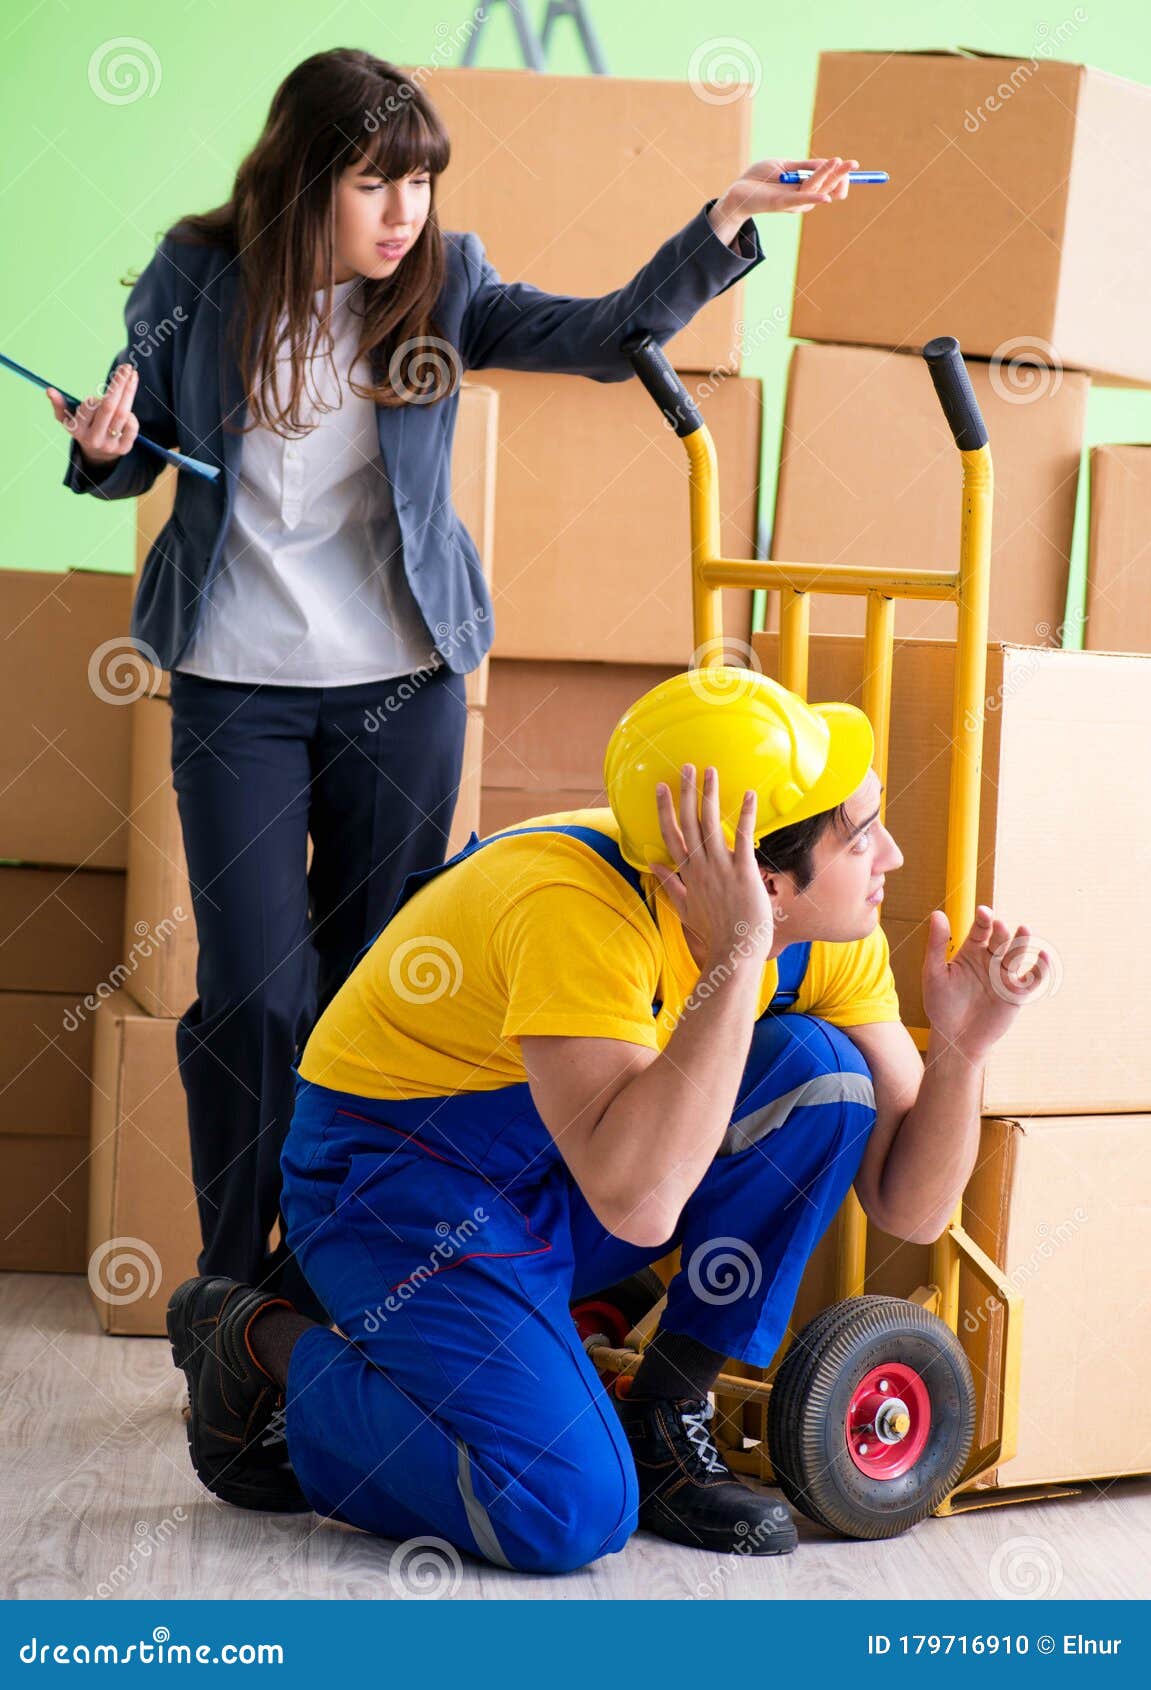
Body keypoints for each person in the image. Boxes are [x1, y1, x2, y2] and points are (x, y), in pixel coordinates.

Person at [49, 45, 858, 1323]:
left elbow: (605, 337)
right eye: (377, 184)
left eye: (420, 183)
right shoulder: (198, 278)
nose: (404, 213)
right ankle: (236, 1296)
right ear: (304, 175)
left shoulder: (443, 281)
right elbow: (131, 436)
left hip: (402, 685)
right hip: (234, 686)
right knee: (260, 996)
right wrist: (104, 450)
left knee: (380, 983)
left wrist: (727, 217)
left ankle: (342, 1287)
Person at [166, 670, 1050, 1573]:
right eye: (860, 834)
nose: (892, 857)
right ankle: (258, 1346)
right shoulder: (571, 908)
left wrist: (962, 1051)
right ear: (762, 875)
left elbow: (913, 1208)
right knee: (564, 1511)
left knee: (824, 1078)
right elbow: (640, 1209)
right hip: (402, 1180)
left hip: (567, 1173)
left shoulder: (830, 933)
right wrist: (741, 955)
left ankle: (666, 1412)